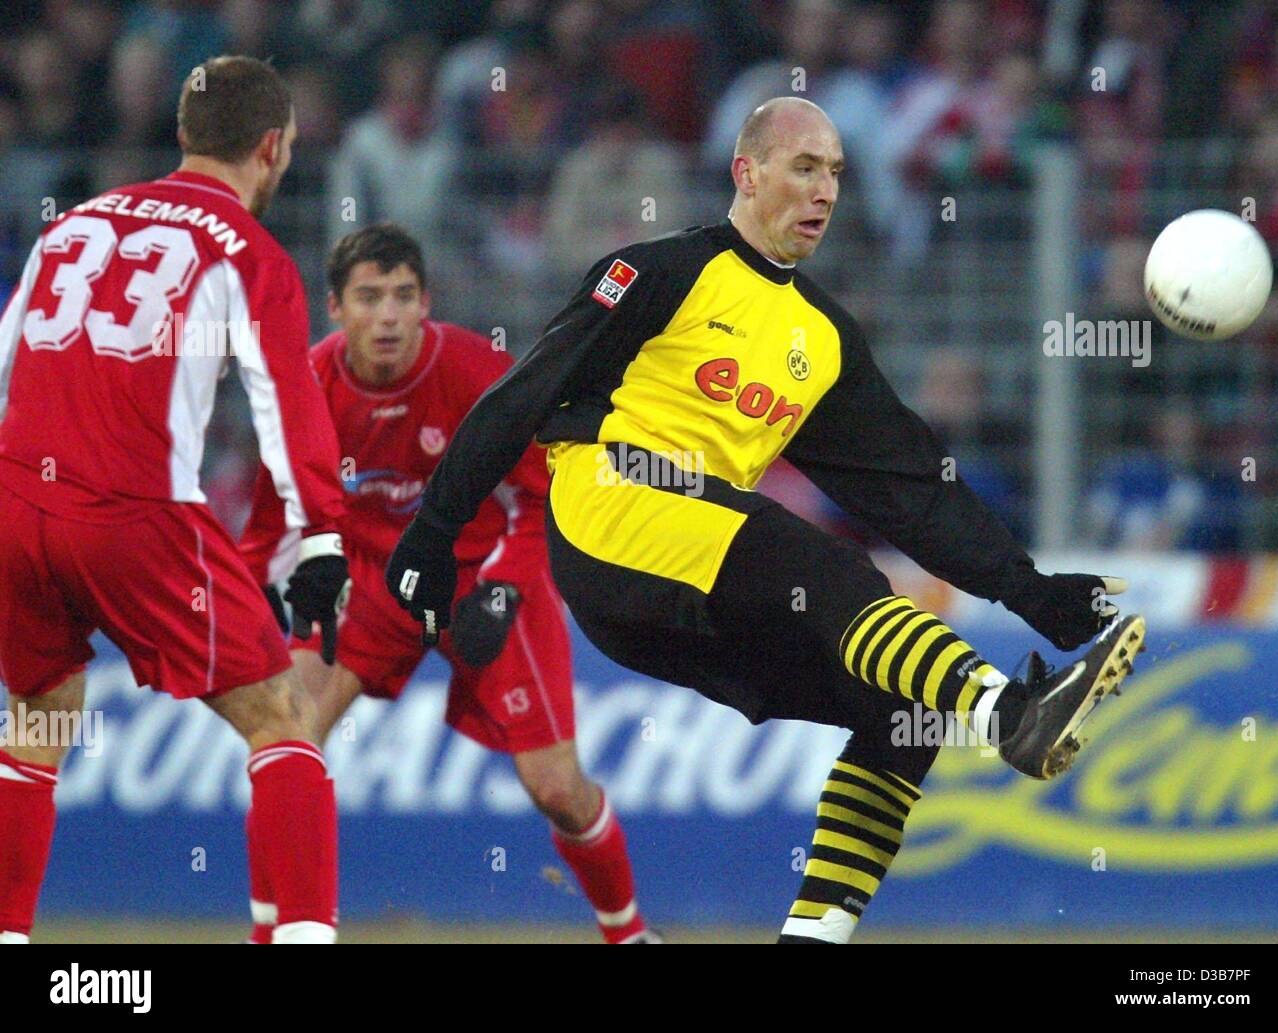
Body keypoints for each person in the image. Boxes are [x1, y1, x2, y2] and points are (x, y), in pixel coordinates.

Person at [385, 96, 1147, 945]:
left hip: (687, 590)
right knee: (831, 573)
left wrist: (1029, 591)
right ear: (747, 174)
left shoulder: (821, 336)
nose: (824, 192)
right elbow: (524, 390)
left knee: (900, 709)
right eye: (805, 168)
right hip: (613, 508)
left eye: (835, 175)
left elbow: (909, 490)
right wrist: (433, 529)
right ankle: (1009, 712)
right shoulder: (659, 271)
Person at [0, 56, 351, 945]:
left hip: (14, 502)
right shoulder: (246, 250)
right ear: (271, 148)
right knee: (282, 717)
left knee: (37, 718)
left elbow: (6, 361)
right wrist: (318, 540)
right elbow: (286, 400)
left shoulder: (74, 223)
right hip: (132, 510)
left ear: (187, 137)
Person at [240, 224, 658, 945]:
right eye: (370, 297)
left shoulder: (473, 369)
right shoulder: (305, 387)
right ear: (335, 308)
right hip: (369, 583)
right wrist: (249, 604)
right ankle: (273, 934)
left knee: (556, 788)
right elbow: (270, 523)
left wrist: (503, 587)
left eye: (404, 296)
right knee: (281, 736)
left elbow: (543, 495)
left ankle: (628, 932)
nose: (390, 315)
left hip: (481, 573)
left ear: (427, 302)